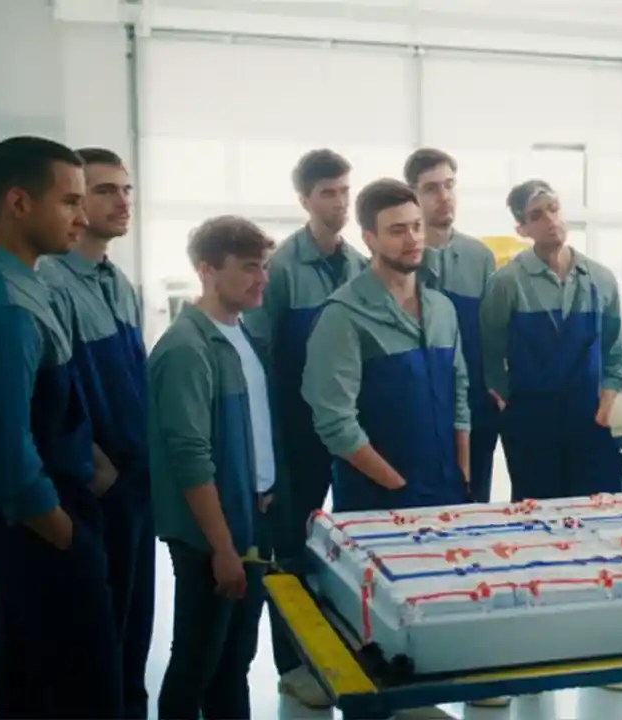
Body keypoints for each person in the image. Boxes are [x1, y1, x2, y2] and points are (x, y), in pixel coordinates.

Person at [0, 137, 121, 718]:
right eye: (70, 201)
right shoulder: (8, 309)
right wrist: (66, 535)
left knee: (23, 684)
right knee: (87, 694)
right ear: (18, 203)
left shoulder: (8, 277)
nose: (83, 218)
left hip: (32, 519)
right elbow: (7, 455)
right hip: (38, 526)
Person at [242, 148, 365, 707]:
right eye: (327, 193)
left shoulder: (360, 264)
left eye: (344, 190)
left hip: (350, 425)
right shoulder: (282, 268)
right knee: (292, 547)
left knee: (353, 543)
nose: (338, 202)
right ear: (305, 200)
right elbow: (263, 356)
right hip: (295, 429)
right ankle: (294, 665)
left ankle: (355, 655)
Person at [37, 147, 154, 719]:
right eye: (107, 190)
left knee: (134, 633)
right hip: (96, 492)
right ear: (79, 203)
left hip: (136, 486)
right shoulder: (52, 283)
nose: (123, 201)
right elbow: (53, 398)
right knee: (95, 644)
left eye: (127, 189)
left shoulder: (120, 282)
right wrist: (94, 468)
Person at [150, 216, 279, 720]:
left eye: (263, 266)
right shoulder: (187, 348)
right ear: (207, 270)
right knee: (196, 663)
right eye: (249, 268)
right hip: (211, 536)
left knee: (235, 661)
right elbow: (190, 458)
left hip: (250, 520)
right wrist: (224, 549)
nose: (261, 278)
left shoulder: (242, 336)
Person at [303, 179, 470, 512]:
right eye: (397, 231)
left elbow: (460, 395)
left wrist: (462, 474)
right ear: (369, 239)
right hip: (376, 501)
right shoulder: (343, 316)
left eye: (417, 227)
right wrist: (397, 486)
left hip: (447, 493)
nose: (412, 239)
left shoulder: (442, 309)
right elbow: (335, 421)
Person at [479, 179, 622, 501]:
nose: (550, 220)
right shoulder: (506, 284)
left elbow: (615, 348)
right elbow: (489, 350)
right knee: (537, 515)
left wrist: (609, 397)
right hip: (532, 422)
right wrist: (507, 404)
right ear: (522, 229)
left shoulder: (600, 279)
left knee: (598, 510)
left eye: (554, 209)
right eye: (537, 215)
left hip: (591, 417)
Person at [406, 148, 499, 503]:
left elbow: (490, 336)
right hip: (417, 405)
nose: (444, 197)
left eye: (449, 186)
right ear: (413, 195)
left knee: (474, 504)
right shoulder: (399, 258)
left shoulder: (480, 258)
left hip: (475, 407)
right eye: (431, 188)